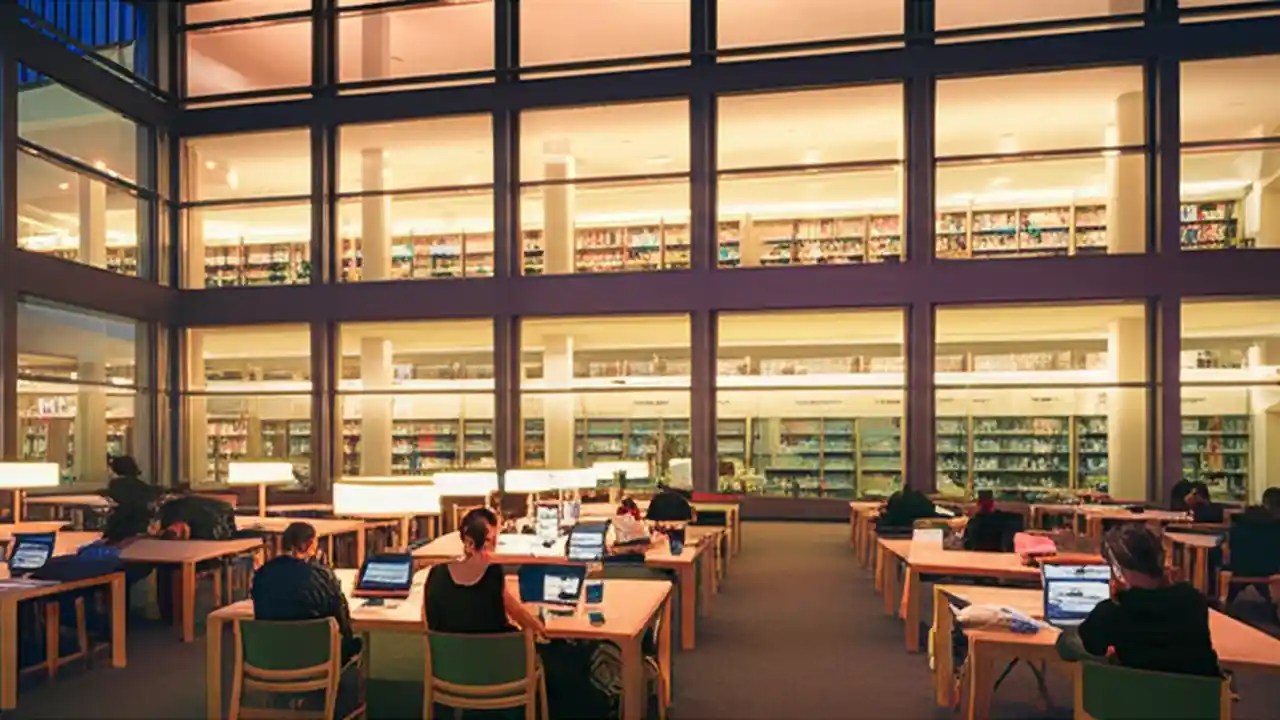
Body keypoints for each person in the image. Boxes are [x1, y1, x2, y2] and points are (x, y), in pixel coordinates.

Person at [1056, 525, 1220, 678]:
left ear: (1117, 569)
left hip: (1131, 707)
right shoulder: (1193, 601)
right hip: (1198, 706)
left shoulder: (1112, 613)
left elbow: (1068, 648)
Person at [251, 522, 361, 663]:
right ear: (310, 544)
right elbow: (341, 618)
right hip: (316, 661)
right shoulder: (322, 576)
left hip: (270, 661)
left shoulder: (261, 574)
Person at [425, 507, 544, 635]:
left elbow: (428, 624)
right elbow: (522, 617)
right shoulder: (492, 574)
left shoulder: (436, 575)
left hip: (448, 654)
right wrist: (543, 629)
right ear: (470, 544)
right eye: (489, 542)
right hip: (495, 654)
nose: (494, 550)